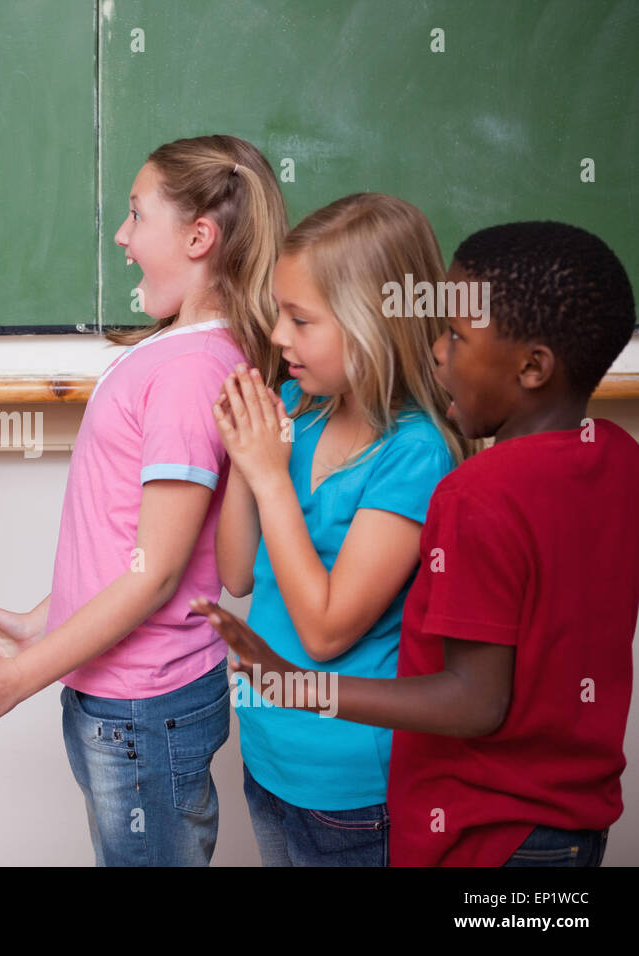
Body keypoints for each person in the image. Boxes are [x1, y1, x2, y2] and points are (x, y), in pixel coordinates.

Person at [198, 220, 638, 867]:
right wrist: (249, 452)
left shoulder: (466, 487)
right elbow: (238, 572)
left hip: (471, 822)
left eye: (456, 337)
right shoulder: (617, 455)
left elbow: (472, 698)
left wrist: (299, 686)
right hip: (559, 814)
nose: (439, 352)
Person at [0, 135, 288, 866]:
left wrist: (22, 675)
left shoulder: (189, 373)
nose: (121, 235)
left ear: (199, 236)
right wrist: (42, 620)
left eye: (136, 215)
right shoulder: (176, 352)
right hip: (118, 702)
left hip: (142, 711)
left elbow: (155, 576)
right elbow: (128, 546)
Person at [211, 193, 473, 865]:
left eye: (300, 319)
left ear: (372, 326)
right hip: (270, 757)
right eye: (278, 314)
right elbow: (237, 572)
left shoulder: (416, 454)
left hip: (352, 789)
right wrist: (249, 457)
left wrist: (271, 477)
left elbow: (326, 632)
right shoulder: (305, 409)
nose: (276, 336)